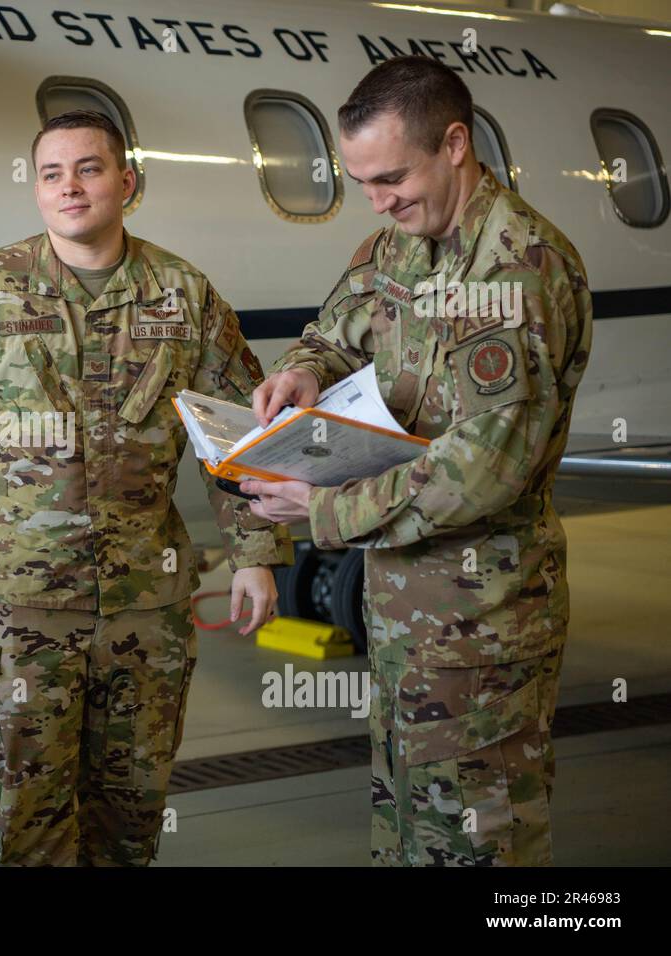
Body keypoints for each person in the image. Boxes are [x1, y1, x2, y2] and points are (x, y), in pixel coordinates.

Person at [0, 110, 291, 866]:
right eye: (52, 173)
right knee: (31, 812)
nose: (71, 187)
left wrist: (255, 551)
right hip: (21, 596)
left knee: (131, 812)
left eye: (89, 168)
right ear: (36, 189)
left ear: (127, 181)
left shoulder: (184, 295)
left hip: (146, 597)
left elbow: (231, 436)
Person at [244, 56, 592, 866]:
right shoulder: (397, 245)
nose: (379, 200)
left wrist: (321, 511)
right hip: (401, 608)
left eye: (393, 177)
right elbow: (334, 330)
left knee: (479, 840)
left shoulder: (518, 270)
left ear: (456, 144)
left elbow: (483, 468)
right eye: (363, 182)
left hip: (484, 619)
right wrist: (304, 369)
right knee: (407, 828)